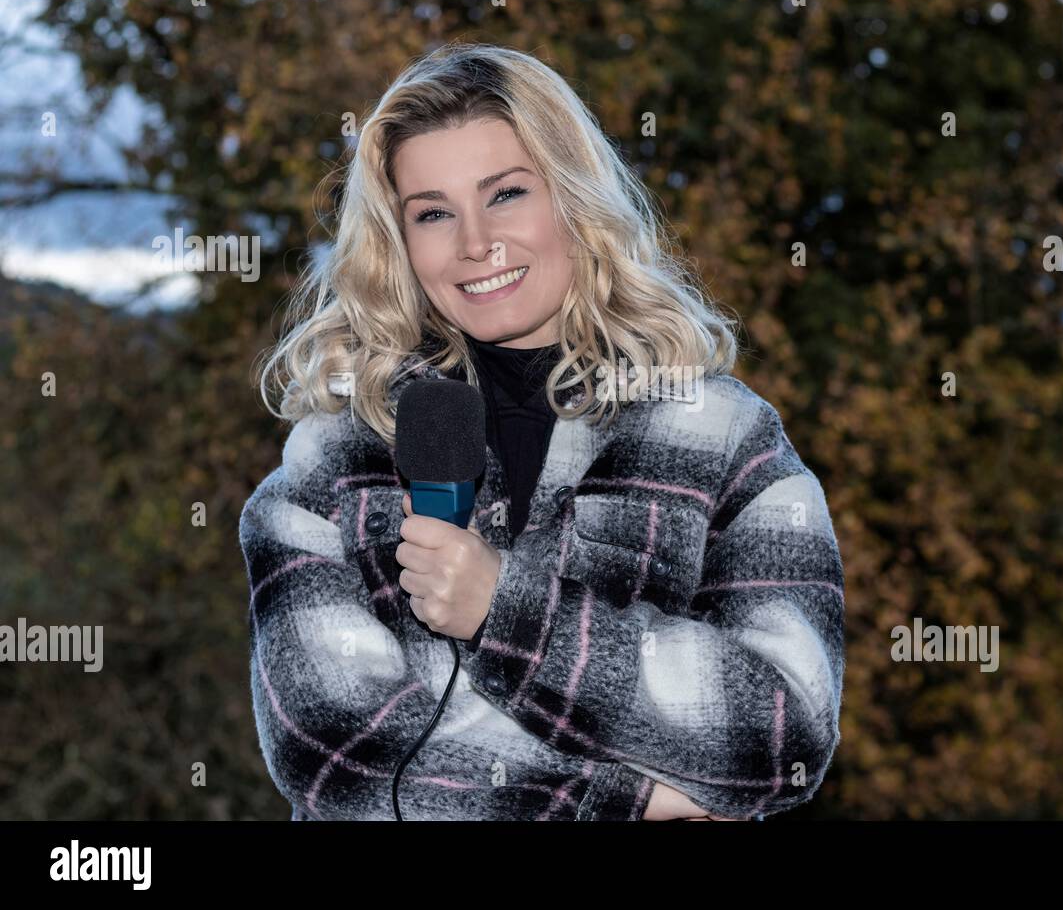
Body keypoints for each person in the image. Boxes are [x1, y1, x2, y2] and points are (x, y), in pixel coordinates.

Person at [239, 42, 845, 821]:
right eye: (432, 213)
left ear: (573, 197)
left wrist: (508, 611)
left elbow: (785, 735)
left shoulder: (722, 435)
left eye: (507, 194)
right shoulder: (333, 455)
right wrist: (634, 801)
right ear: (398, 243)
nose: (474, 243)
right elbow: (331, 750)